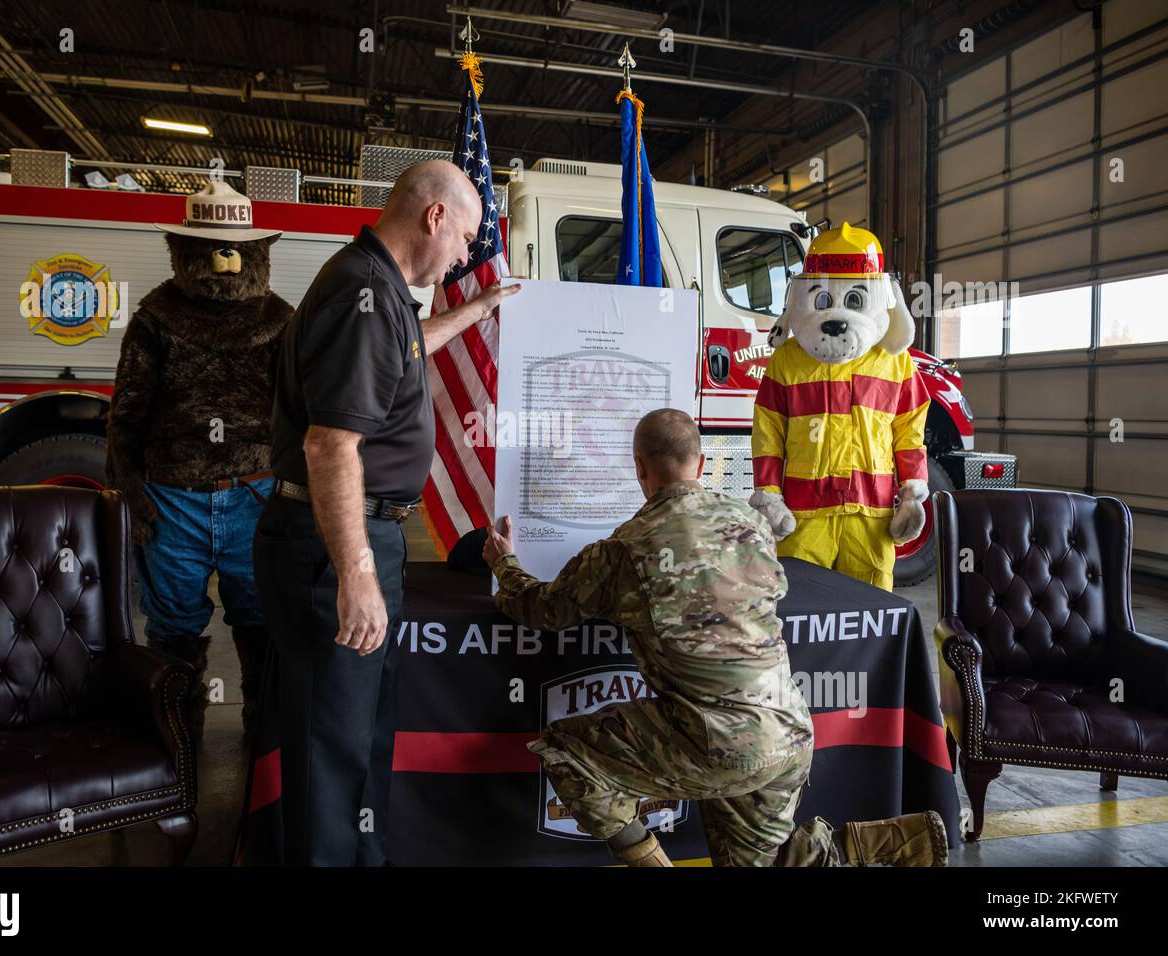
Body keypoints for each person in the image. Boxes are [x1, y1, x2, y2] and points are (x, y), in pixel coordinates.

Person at [483, 408, 948, 867]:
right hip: (789, 736)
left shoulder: (625, 548)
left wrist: (505, 564)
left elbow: (542, 610)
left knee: (567, 750)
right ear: (702, 465)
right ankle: (878, 845)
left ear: (638, 466)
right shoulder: (752, 525)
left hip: (716, 745)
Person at [255, 160, 520, 865]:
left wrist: (473, 312)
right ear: (433, 217)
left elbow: (402, 355)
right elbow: (331, 445)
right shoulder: (361, 294)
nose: (467, 254)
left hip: (351, 533)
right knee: (328, 742)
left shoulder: (379, 291)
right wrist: (358, 572)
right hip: (332, 542)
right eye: (464, 236)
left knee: (357, 731)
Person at [106, 180, 290, 746]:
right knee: (172, 633)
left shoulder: (281, 319)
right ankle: (175, 749)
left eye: (235, 246)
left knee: (262, 627)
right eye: (211, 246)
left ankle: (265, 752)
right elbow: (128, 413)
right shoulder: (157, 316)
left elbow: (303, 416)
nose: (225, 258)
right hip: (171, 501)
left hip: (254, 498)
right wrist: (131, 494)